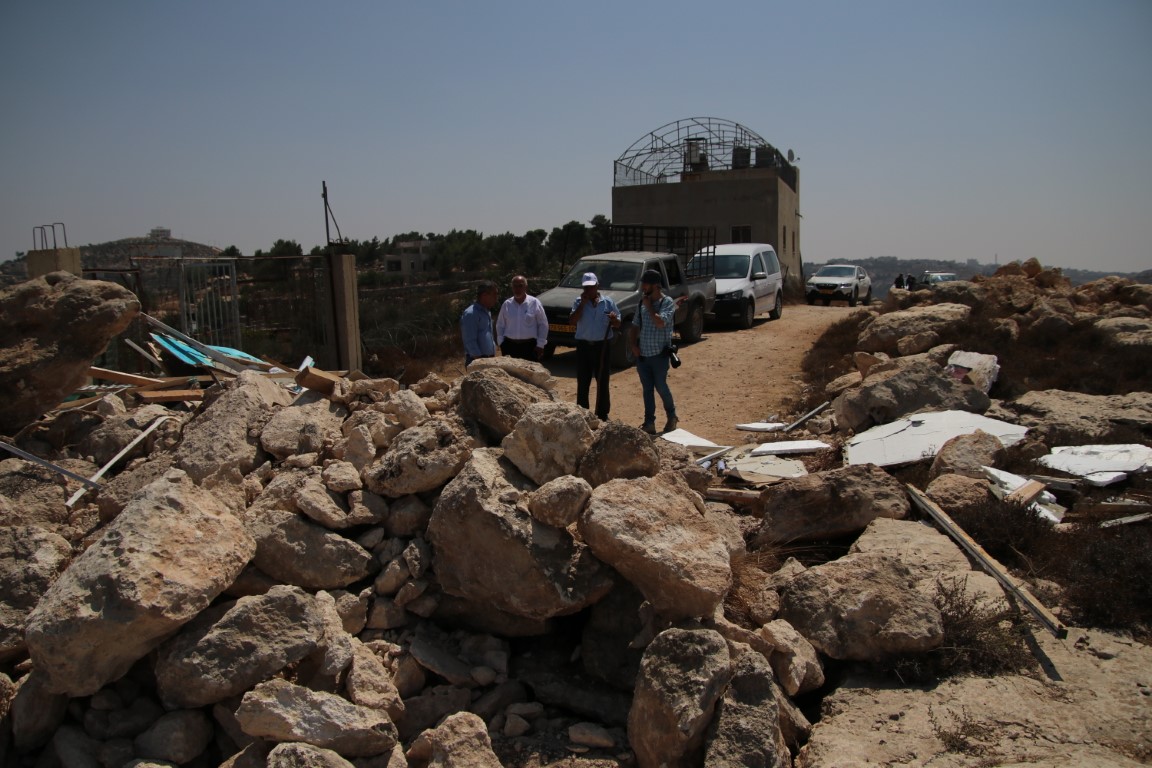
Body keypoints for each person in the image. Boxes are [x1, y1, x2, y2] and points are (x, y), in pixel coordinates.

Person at [629, 269, 678, 435]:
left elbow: (660, 323)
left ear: (656, 286)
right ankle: (649, 423)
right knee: (647, 390)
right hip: (643, 355)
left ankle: (672, 416)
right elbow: (635, 325)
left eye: (646, 283)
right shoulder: (642, 302)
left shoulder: (667, 302)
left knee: (661, 387)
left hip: (659, 355)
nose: (643, 286)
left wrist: (650, 308)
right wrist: (633, 345)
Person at [570, 272, 620, 420]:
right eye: (586, 287)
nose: (588, 290)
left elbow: (618, 323)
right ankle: (583, 413)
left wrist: (614, 319)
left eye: (591, 287)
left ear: (597, 286)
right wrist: (582, 305)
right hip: (584, 346)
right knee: (583, 380)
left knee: (603, 380)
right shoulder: (578, 302)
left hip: (602, 346)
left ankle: (602, 413)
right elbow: (572, 321)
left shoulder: (608, 302)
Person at [496, 275, 548, 361]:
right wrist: (501, 342)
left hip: (530, 347)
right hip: (509, 347)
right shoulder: (507, 304)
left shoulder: (534, 303)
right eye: (515, 286)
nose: (517, 289)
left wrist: (540, 344)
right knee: (510, 374)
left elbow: (543, 324)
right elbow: (500, 324)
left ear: (525, 287)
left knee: (529, 374)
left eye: (520, 286)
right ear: (512, 287)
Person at [460, 280, 498, 366]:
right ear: (484, 295)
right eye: (494, 294)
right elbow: (470, 341)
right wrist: (480, 362)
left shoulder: (486, 311)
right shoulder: (471, 314)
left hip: (488, 359)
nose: (496, 298)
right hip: (477, 360)